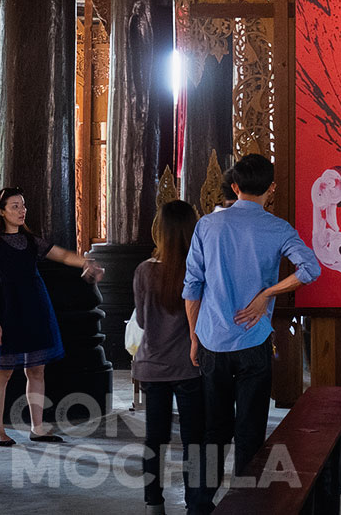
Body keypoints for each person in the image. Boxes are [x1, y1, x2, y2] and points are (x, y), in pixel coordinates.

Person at [183, 153, 321, 496]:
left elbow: (192, 287)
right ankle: (244, 504)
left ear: (234, 186)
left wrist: (193, 336)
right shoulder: (278, 228)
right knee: (250, 431)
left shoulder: (207, 225)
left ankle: (199, 504)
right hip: (255, 341)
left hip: (213, 338)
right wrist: (268, 294)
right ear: (271, 188)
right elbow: (311, 269)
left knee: (212, 430)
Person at [0, 186, 103, 447]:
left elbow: (62, 255)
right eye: (15, 206)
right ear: (1, 211)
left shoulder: (31, 241)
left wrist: (86, 263)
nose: (22, 210)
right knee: (1, 373)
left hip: (34, 308)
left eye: (23, 205)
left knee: (36, 370)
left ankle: (38, 427)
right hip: (6, 311)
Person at [134, 200, 205, 515]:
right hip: (190, 366)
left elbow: (140, 322)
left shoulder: (144, 271)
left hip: (152, 366)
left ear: (158, 231)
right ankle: (196, 502)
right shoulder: (199, 270)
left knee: (155, 438)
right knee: (194, 440)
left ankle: (153, 502)